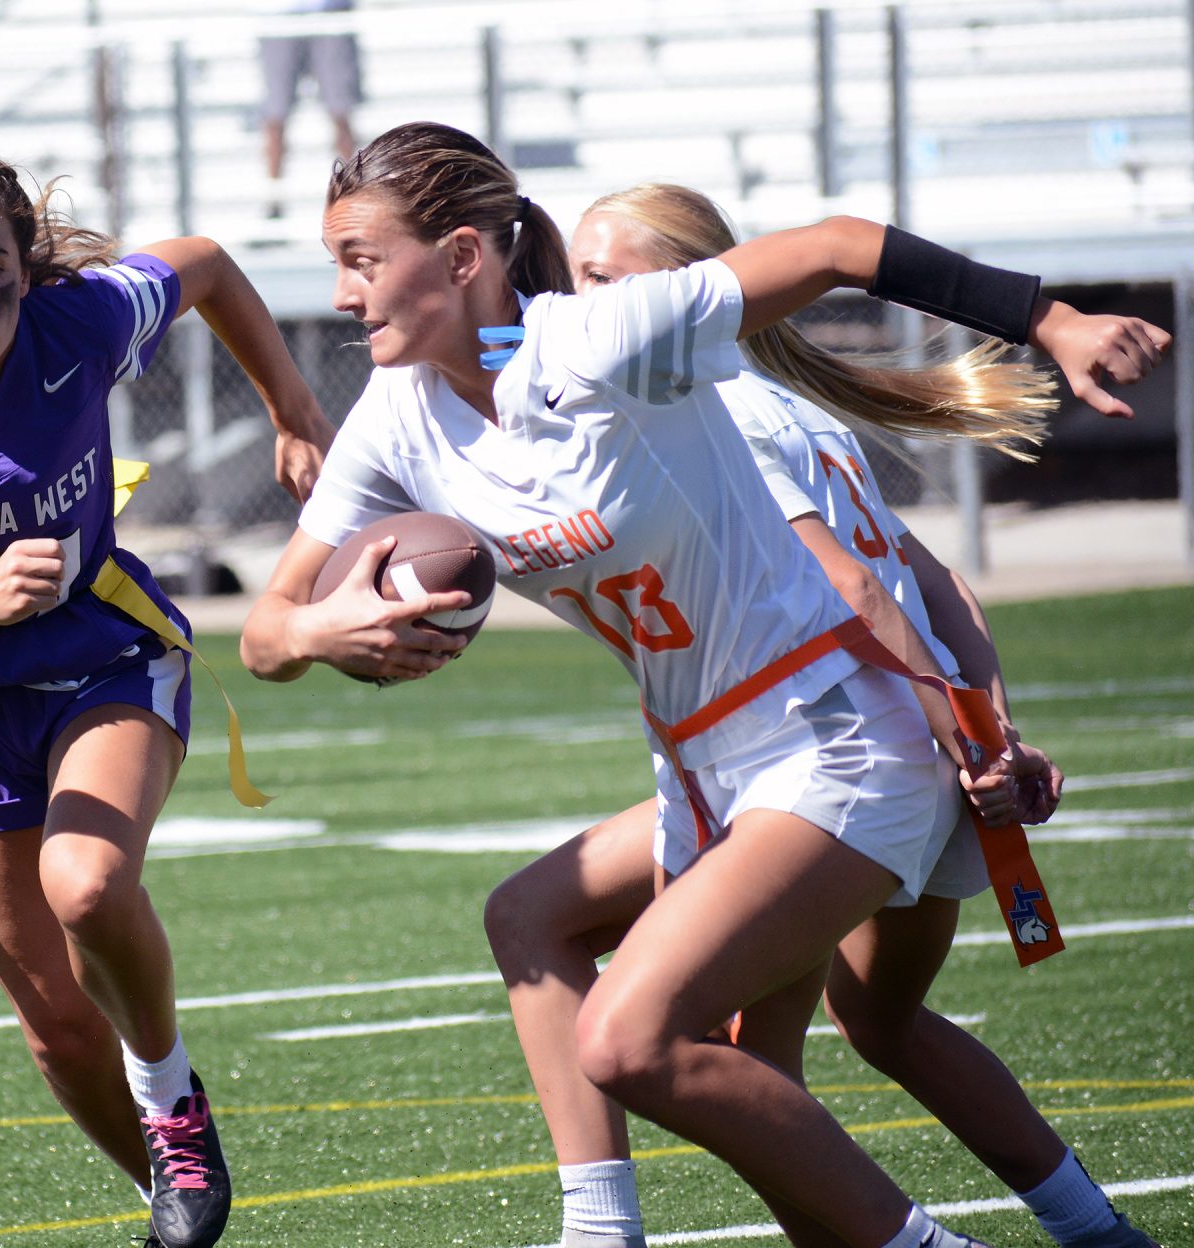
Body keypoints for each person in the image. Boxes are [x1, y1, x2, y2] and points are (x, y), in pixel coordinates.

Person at [237, 121, 1169, 1248]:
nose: (337, 292)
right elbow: (266, 630)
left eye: (361, 258)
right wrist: (330, 627)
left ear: (464, 257)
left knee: (635, 1041)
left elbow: (834, 246)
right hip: (705, 766)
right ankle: (613, 1230)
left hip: (831, 731)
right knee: (716, 1066)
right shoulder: (395, 416)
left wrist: (1050, 320)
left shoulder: (600, 341)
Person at [483, 182, 1159, 1248]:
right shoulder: (784, 404)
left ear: (685, 284)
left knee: (666, 1014)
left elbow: (850, 585)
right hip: (923, 757)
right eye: (578, 282)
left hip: (839, 755)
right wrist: (988, 726)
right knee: (877, 1024)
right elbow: (936, 581)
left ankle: (607, 1228)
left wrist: (954, 720)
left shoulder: (703, 416)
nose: (582, 305)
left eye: (607, 281)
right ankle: (1096, 1233)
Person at [0, 116, 335, 1248]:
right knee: (56, 1032)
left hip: (108, 657)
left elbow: (211, 265)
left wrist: (294, 411)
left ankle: (174, 1099)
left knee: (85, 884)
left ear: (25, 269)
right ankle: (170, 1207)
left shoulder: (77, 322)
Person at [254, 0, 361, 219]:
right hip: (277, 15)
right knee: (275, 115)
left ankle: (352, 195)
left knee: (340, 111)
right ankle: (273, 203)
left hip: (328, 12)